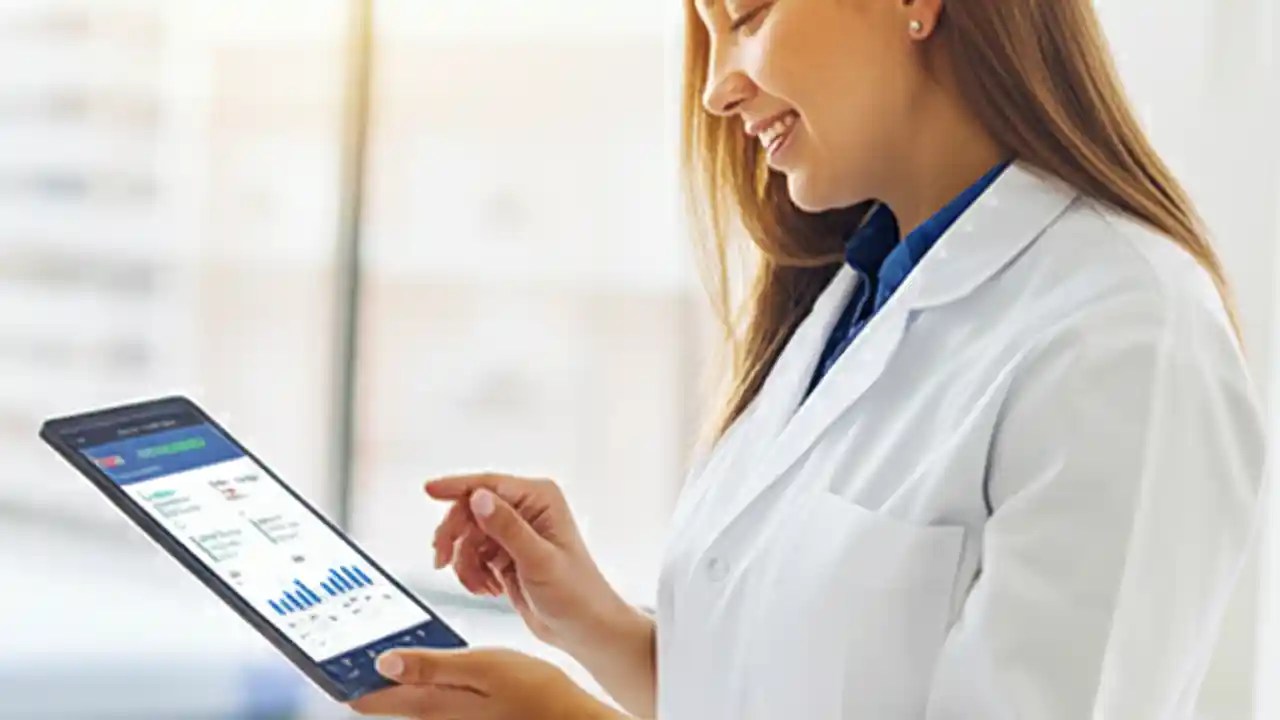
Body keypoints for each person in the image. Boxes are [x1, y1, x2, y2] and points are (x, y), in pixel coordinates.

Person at [352, 0, 1267, 717]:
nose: (714, 88)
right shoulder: (845, 299)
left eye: (746, 18)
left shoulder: (1125, 330)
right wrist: (598, 627)